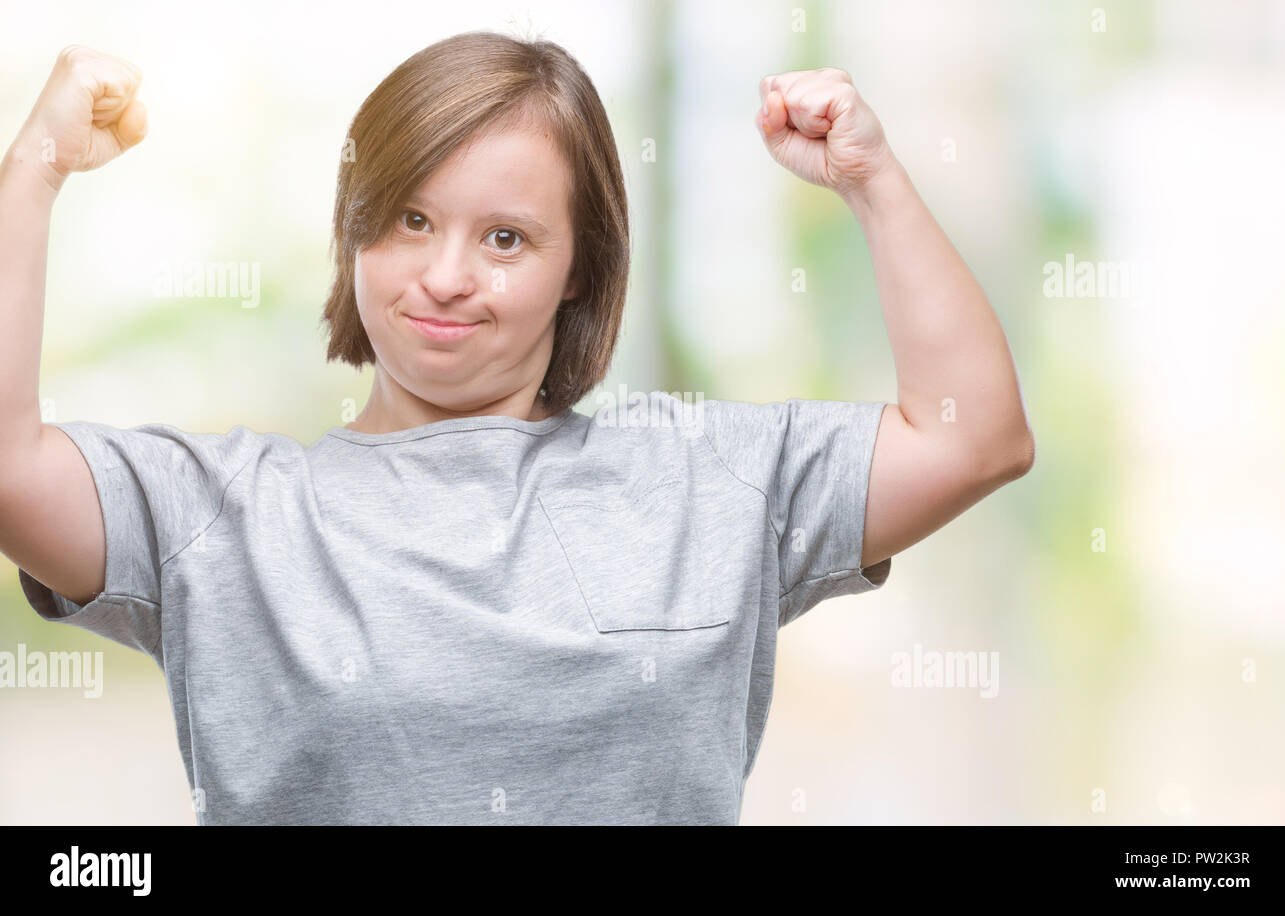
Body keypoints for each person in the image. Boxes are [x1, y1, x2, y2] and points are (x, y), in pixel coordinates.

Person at [0, 31, 1033, 825]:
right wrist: (38, 164)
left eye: (505, 238)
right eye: (411, 219)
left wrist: (871, 179)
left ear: (580, 267)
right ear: (354, 226)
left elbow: (974, 438)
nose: (446, 276)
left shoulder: (709, 480)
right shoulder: (221, 515)